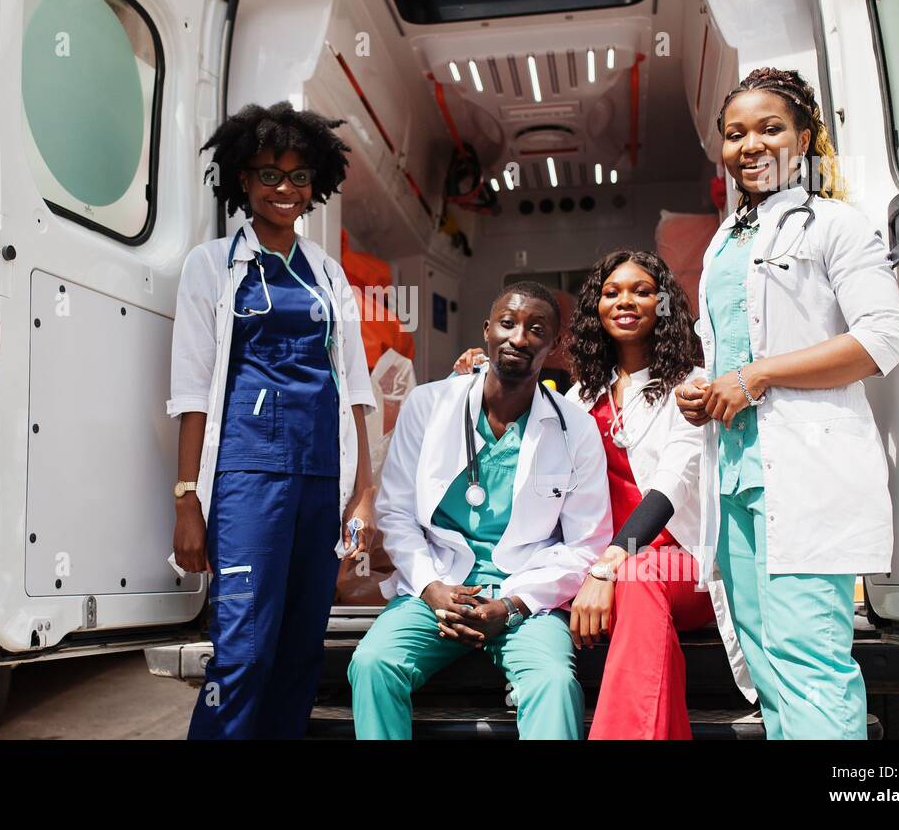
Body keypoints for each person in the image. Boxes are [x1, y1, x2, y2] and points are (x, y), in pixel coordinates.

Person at [676, 67, 899, 739]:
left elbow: (880, 340)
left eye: (770, 128)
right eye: (735, 133)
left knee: (810, 664)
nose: (751, 144)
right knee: (771, 671)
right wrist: (706, 387)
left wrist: (757, 376)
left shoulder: (836, 223)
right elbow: (728, 349)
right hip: (739, 480)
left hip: (807, 477)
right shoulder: (725, 242)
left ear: (802, 138)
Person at [454, 257, 753, 739]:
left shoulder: (692, 384)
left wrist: (607, 566)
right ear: (598, 307)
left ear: (665, 303)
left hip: (676, 566)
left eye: (641, 290)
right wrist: (481, 368)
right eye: (612, 292)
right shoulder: (579, 397)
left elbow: (672, 484)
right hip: (597, 568)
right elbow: (512, 414)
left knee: (638, 574)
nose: (625, 302)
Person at [167, 101, 377, 740]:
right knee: (245, 651)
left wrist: (364, 493)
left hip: (320, 478)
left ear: (317, 184)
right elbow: (191, 391)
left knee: (299, 653)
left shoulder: (329, 275)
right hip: (248, 478)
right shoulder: (211, 265)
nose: (284, 189)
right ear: (241, 180)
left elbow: (357, 389)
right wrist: (186, 500)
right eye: (268, 174)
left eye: (298, 176)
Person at [348, 283, 611, 740]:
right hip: (437, 587)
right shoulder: (428, 405)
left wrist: (510, 605)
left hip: (524, 596)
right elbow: (395, 512)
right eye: (508, 323)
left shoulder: (577, 428)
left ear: (554, 345)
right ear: (487, 331)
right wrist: (432, 588)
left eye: (536, 329)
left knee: (552, 682)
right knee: (373, 664)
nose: (519, 337)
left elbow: (586, 542)